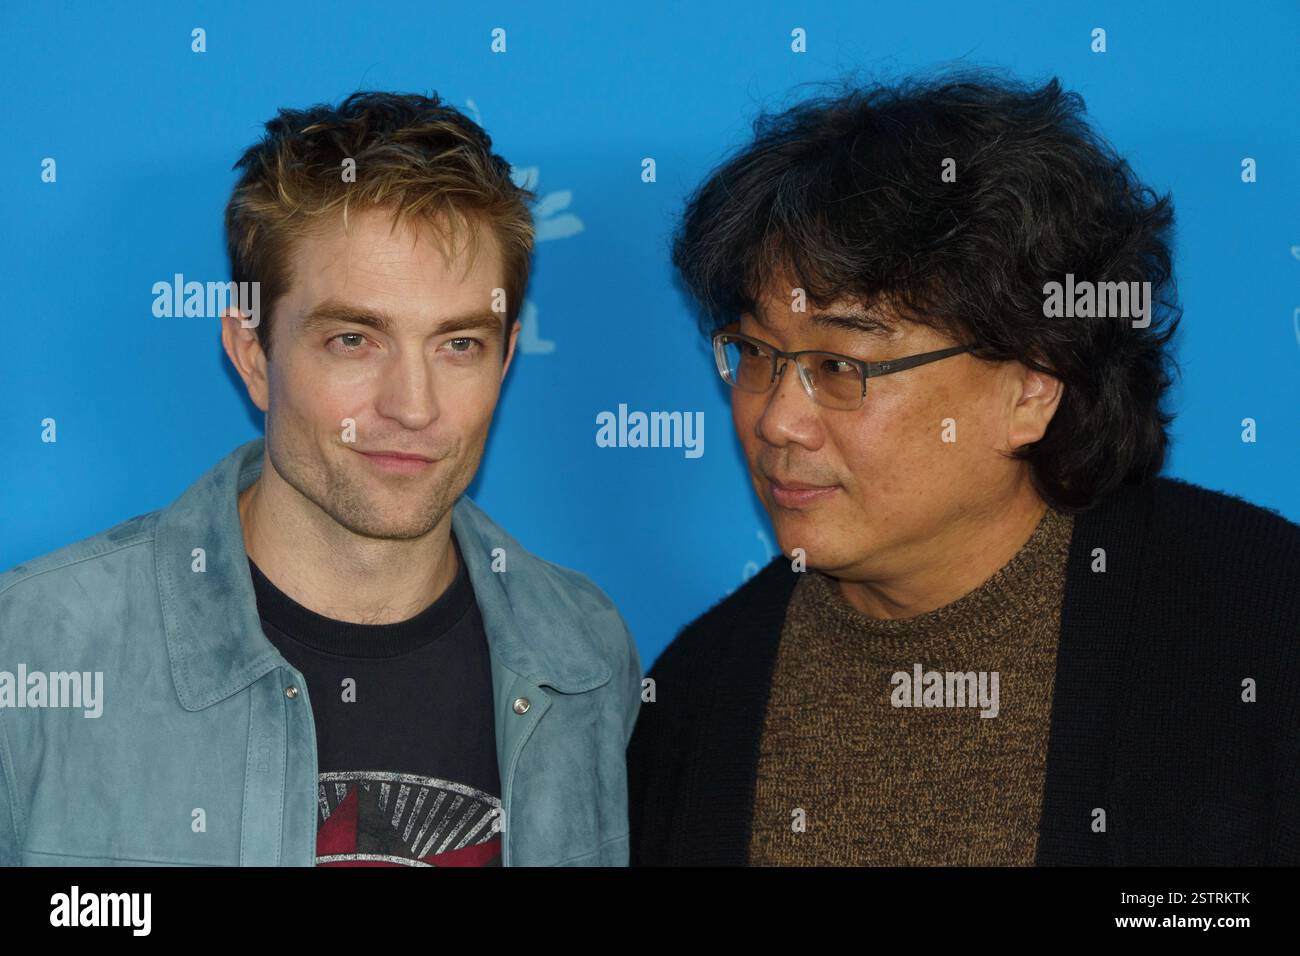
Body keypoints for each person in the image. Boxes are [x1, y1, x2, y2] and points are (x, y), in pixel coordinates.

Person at [627, 69, 1300, 866]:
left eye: (842, 366)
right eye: (755, 355)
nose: (777, 418)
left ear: (1031, 388)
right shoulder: (699, 698)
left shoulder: (1257, 625)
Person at [0, 91, 641, 867]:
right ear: (250, 352)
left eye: (459, 344)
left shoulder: (584, 657)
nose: (412, 407)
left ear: (505, 360)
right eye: (353, 339)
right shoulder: (38, 652)